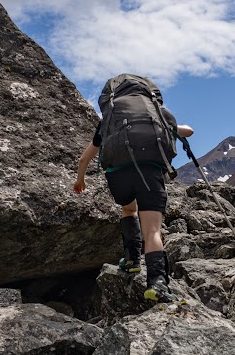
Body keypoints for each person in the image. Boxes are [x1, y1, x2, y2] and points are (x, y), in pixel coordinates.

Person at [73, 74, 194, 302]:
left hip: (119, 176)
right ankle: (157, 283)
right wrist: (176, 128)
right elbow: (188, 131)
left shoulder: (111, 119)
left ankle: (131, 260)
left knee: (129, 209)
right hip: (150, 172)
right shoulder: (156, 114)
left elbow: (84, 158)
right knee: (153, 231)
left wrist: (80, 180)